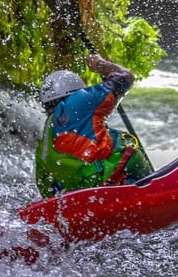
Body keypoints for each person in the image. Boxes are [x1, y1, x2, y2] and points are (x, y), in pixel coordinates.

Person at [34, 53, 153, 196]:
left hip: (80, 194)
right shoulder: (78, 101)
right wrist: (99, 64)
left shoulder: (48, 134)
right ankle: (149, 186)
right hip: (104, 182)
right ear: (75, 91)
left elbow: (45, 186)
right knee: (125, 146)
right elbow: (125, 77)